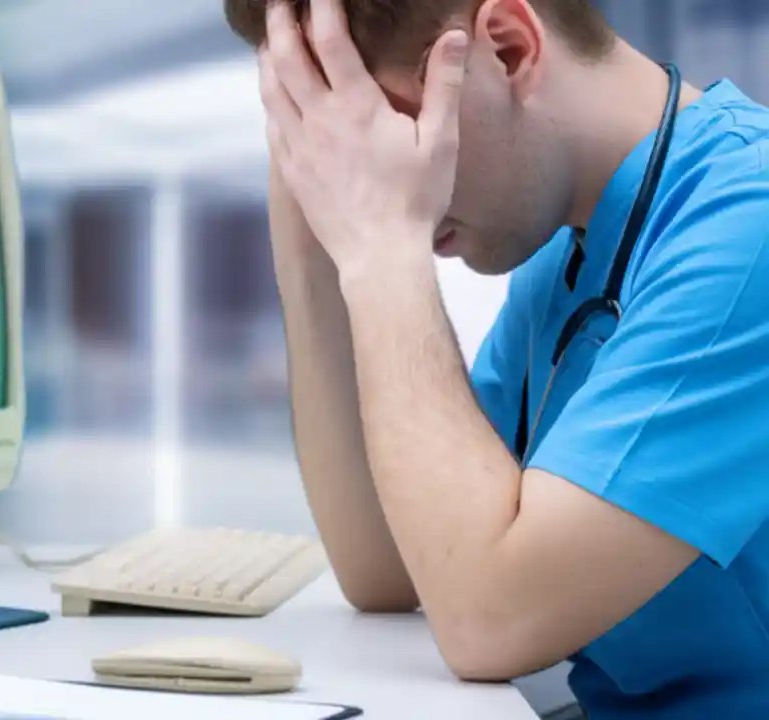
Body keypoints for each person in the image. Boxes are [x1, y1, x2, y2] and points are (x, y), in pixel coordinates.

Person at [222, 0, 769, 718]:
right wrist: (309, 239)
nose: (374, 166)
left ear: (508, 49)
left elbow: (488, 622)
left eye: (381, 127)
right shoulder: (564, 256)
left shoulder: (748, 226)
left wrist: (382, 248)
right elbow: (388, 567)